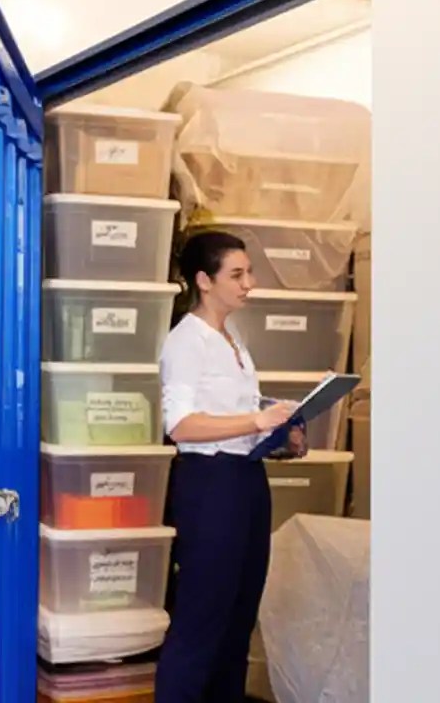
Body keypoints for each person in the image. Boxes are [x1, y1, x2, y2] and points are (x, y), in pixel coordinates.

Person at [154, 230, 300, 703]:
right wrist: (256, 418)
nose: (248, 283)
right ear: (204, 281)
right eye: (236, 274)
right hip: (209, 486)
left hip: (246, 480)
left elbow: (235, 421)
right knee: (202, 619)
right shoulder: (186, 341)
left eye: (248, 272)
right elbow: (179, 424)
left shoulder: (233, 340)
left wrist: (276, 436)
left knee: (239, 616)